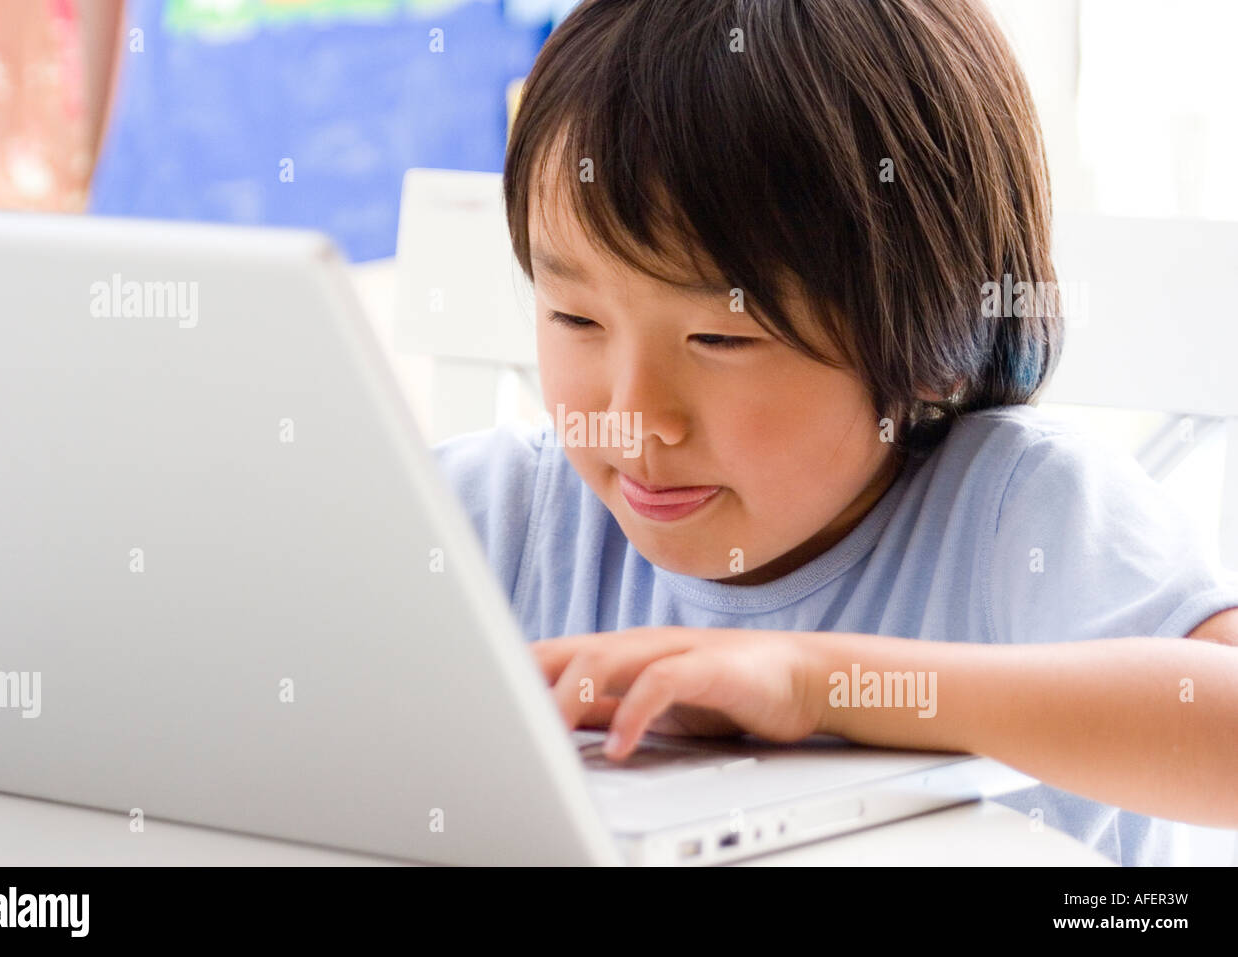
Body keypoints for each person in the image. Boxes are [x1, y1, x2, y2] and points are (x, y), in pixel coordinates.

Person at [433, 0, 1238, 867]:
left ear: (938, 338)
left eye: (722, 338)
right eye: (574, 317)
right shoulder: (499, 516)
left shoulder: (1021, 515)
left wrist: (818, 683)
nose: (635, 416)